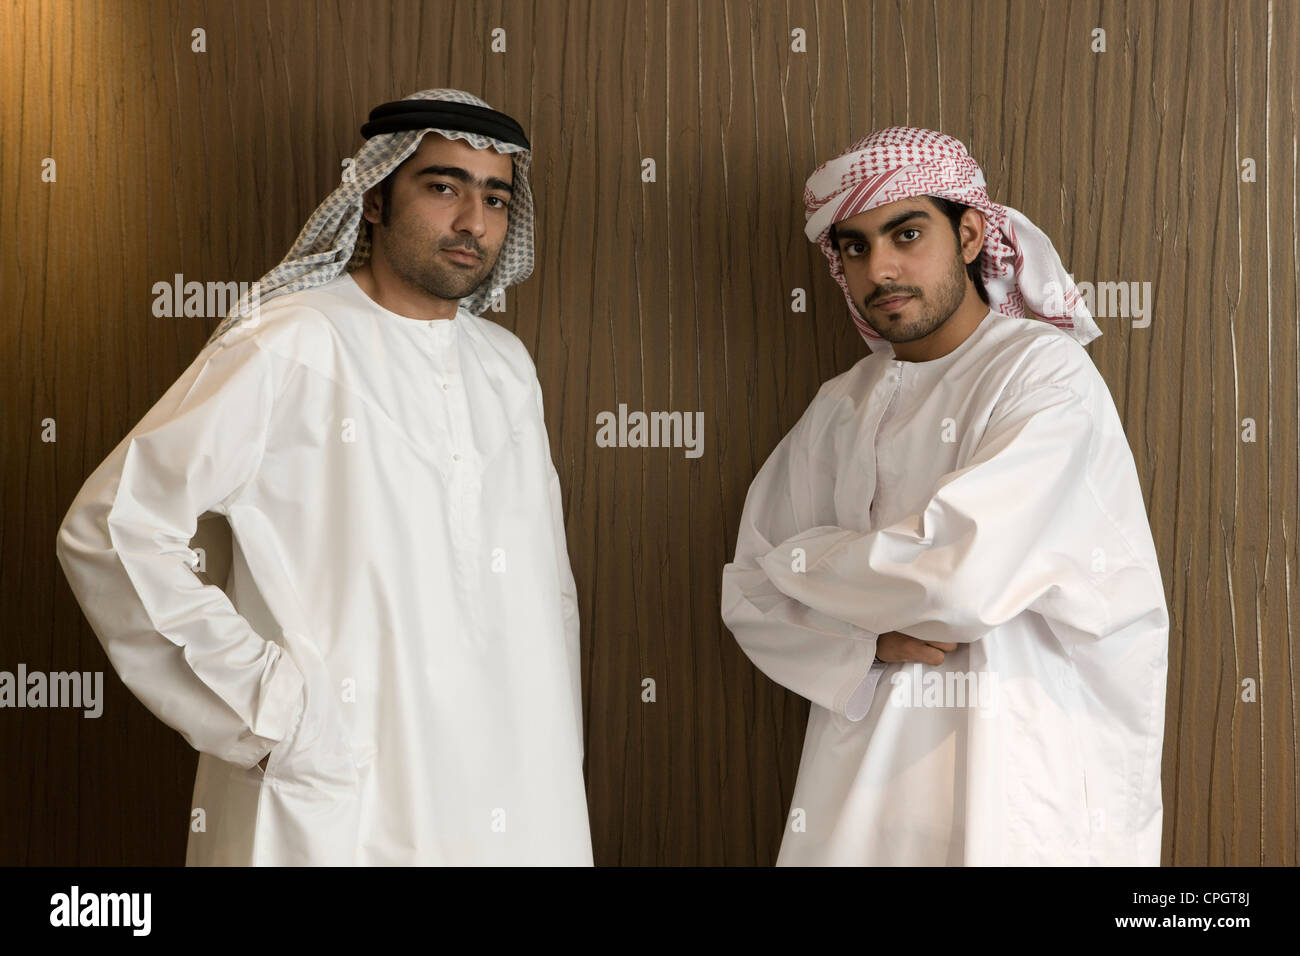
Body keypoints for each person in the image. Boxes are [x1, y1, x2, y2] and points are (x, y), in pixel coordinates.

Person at [56, 89, 593, 865]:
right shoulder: (293, 340)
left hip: (513, 789)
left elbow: (547, 591)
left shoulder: (506, 367)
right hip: (344, 789)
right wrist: (273, 714)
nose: (473, 221)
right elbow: (114, 527)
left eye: (495, 196)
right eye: (443, 186)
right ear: (373, 198)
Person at [720, 126, 1169, 865]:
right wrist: (864, 649)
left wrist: (809, 560)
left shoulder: (1044, 376)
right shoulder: (842, 406)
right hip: (864, 780)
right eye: (856, 247)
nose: (881, 269)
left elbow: (957, 580)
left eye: (906, 234)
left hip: (1021, 773)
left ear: (968, 235)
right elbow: (748, 591)